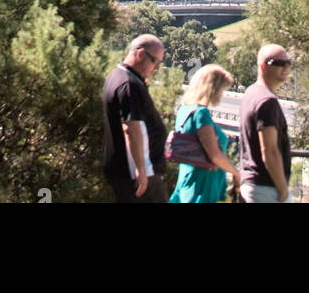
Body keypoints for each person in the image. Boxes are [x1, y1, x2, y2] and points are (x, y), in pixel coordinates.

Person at [102, 34, 169, 203]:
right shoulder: (129, 84)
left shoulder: (117, 76)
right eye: (155, 61)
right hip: (140, 173)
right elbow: (131, 128)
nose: (157, 68)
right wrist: (141, 170)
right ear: (140, 54)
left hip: (129, 171)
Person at [168, 65, 241, 204]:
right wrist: (236, 173)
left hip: (188, 178)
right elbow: (215, 155)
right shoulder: (201, 114)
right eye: (222, 90)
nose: (222, 95)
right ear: (212, 88)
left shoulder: (185, 110)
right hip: (202, 184)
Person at [239, 43, 294, 204]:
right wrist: (283, 189)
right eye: (277, 63)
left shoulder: (251, 93)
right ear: (263, 66)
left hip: (252, 184)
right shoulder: (266, 101)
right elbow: (269, 151)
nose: (285, 67)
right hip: (266, 188)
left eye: (288, 62)